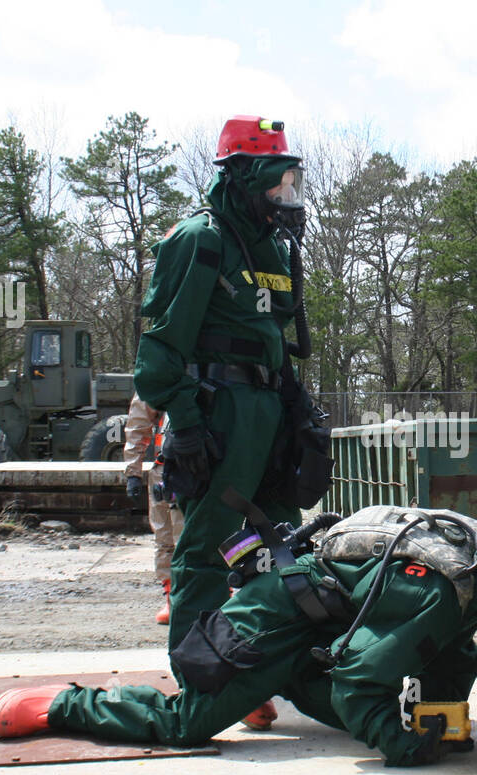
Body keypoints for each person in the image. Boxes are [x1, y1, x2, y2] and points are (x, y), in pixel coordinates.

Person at [0, 504, 477, 767]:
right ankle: (60, 705)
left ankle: (271, 686)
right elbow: (355, 682)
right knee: (188, 726)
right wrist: (406, 746)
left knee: (359, 714)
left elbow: (454, 651)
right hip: (276, 616)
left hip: (321, 621)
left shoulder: (473, 553)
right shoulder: (438, 592)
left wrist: (443, 720)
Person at [133, 115, 313, 730]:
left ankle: (269, 668)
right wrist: (183, 421)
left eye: (290, 184)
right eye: (275, 184)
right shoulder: (199, 240)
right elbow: (159, 351)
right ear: (240, 178)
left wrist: (296, 408)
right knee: (208, 548)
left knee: (279, 543)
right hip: (221, 411)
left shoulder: (269, 247)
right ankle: (204, 682)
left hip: (270, 413)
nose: (286, 199)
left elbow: (273, 335)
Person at [124, 392, 183, 625]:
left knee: (208, 538)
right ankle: (171, 598)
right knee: (165, 538)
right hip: (166, 469)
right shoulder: (159, 375)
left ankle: (216, 596)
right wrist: (133, 472)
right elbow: (138, 422)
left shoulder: (216, 368)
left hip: (209, 468)